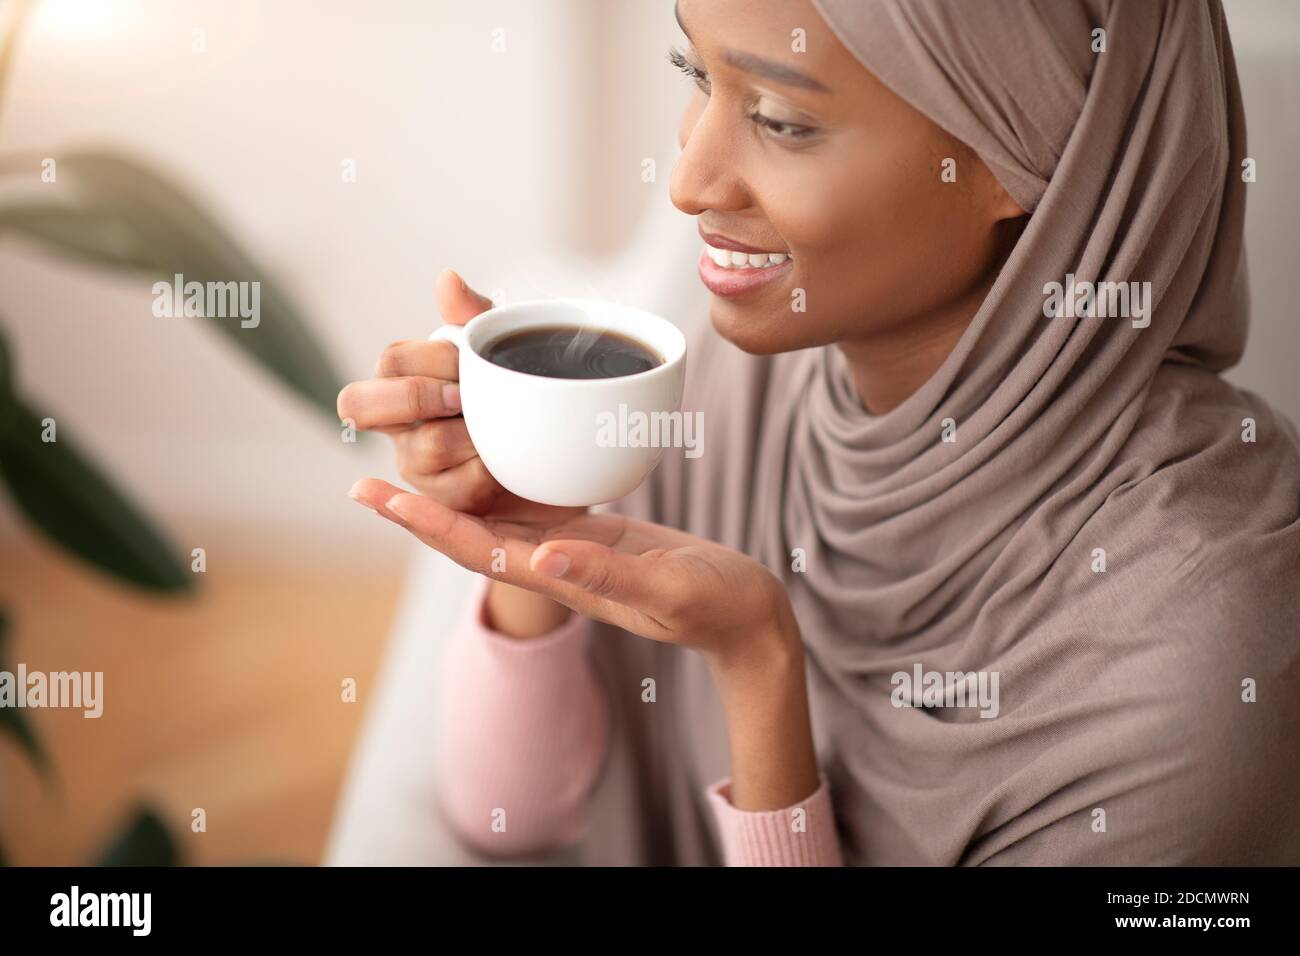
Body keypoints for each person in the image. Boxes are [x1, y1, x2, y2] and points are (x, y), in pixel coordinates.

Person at [337, 0, 1300, 865]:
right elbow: (509, 818)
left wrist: (758, 665)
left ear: (1028, 157)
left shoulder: (1196, 650)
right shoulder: (736, 369)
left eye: (781, 120)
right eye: (695, 73)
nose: (687, 183)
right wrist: (535, 515)